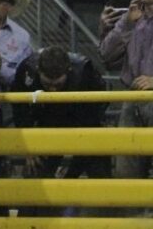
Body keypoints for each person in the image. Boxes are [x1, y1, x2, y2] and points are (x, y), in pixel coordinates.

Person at [10, 46, 110, 180]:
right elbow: (19, 109)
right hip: (45, 118)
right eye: (47, 84)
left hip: (81, 118)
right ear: (39, 71)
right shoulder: (27, 69)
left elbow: (93, 117)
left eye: (57, 85)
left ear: (68, 71)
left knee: (96, 164)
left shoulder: (85, 72)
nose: (53, 90)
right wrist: (28, 146)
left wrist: (70, 175)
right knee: (35, 168)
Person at [99, 0, 153, 179]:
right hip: (132, 98)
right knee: (126, 170)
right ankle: (131, 213)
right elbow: (106, 54)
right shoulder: (130, 17)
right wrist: (128, 24)